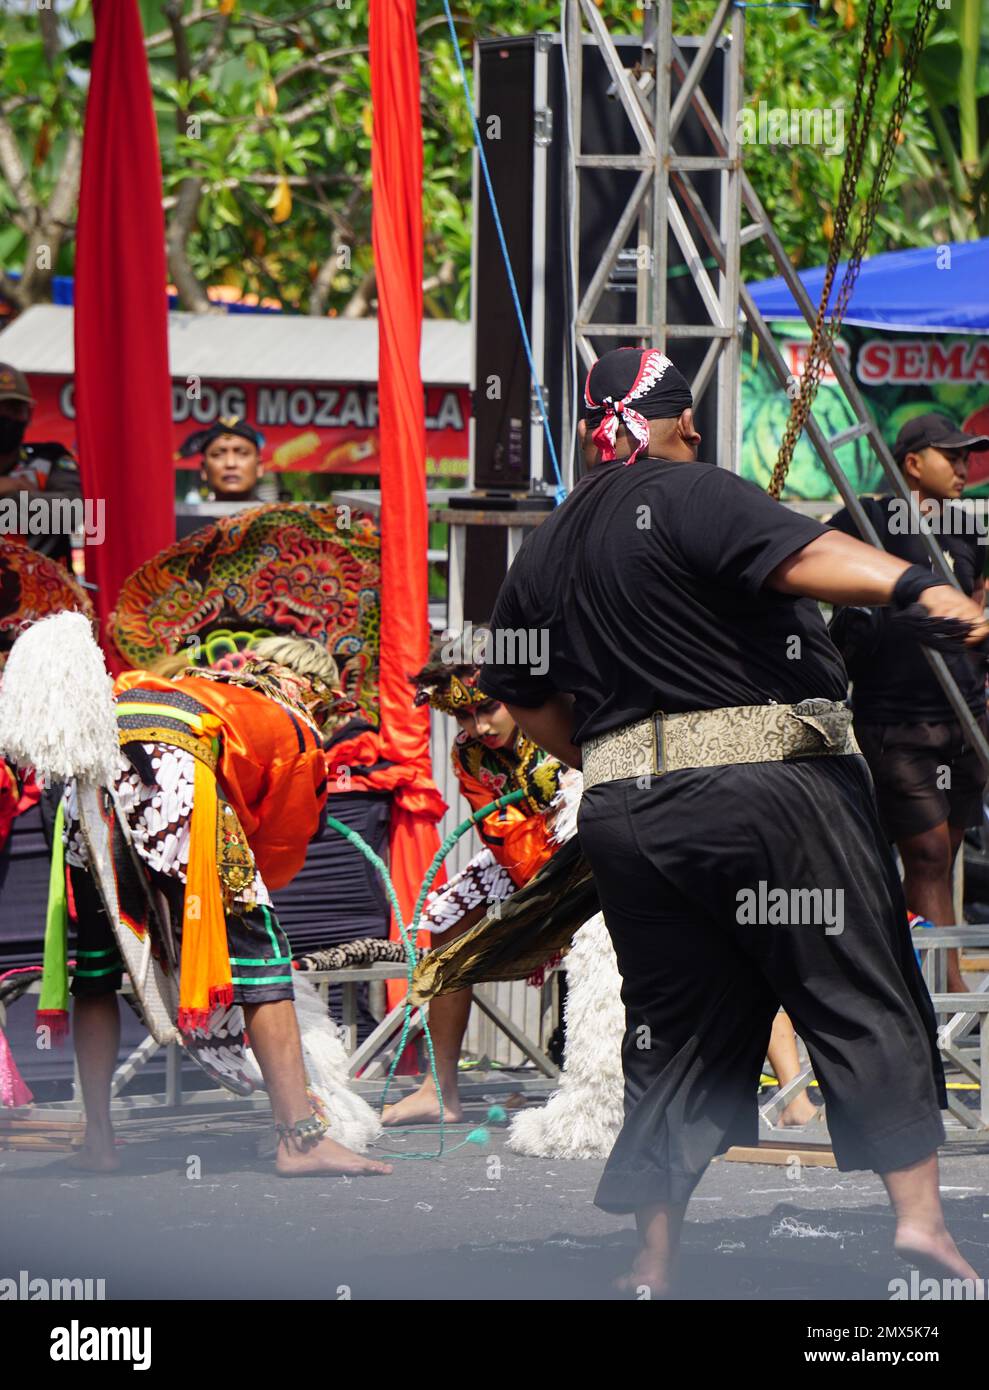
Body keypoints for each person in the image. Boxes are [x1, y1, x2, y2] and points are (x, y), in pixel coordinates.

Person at [477, 345, 984, 1295]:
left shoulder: (546, 542)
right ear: (671, 422)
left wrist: (611, 759)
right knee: (857, 990)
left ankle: (653, 1259)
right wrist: (918, 588)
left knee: (671, 1031)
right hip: (771, 803)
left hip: (630, 821)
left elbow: (509, 685)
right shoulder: (689, 487)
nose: (699, 431)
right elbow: (809, 553)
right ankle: (920, 1224)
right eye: (690, 417)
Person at [11, 625, 391, 1179]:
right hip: (175, 774)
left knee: (97, 966)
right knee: (260, 955)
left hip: (92, 773)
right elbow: (284, 845)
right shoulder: (295, 721)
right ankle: (300, 1142)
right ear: (314, 687)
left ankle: (98, 1140)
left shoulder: (201, 683)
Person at [829, 412, 989, 995]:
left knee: (943, 855)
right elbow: (809, 571)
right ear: (914, 463)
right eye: (954, 456)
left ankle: (912, 978)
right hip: (894, 723)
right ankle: (947, 996)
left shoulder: (969, 529)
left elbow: (976, 602)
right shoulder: (865, 518)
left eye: (970, 455)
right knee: (925, 852)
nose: (967, 468)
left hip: (964, 719)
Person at [381, 648, 562, 1126]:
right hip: (524, 855)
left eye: (488, 708)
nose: (479, 726)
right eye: (464, 714)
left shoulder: (558, 715)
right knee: (443, 919)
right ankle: (439, 1089)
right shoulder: (468, 753)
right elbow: (502, 832)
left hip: (594, 845)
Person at [0, 363, 83, 566]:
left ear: (30, 414)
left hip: (48, 593)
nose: (5, 417)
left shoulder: (50, 458)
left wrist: (12, 496)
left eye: (14, 409)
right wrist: (16, 487)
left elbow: (72, 513)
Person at [179, 416, 266, 502]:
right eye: (218, 455)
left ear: (259, 467)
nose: (230, 464)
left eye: (242, 453)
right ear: (204, 469)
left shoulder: (277, 515)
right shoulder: (181, 516)